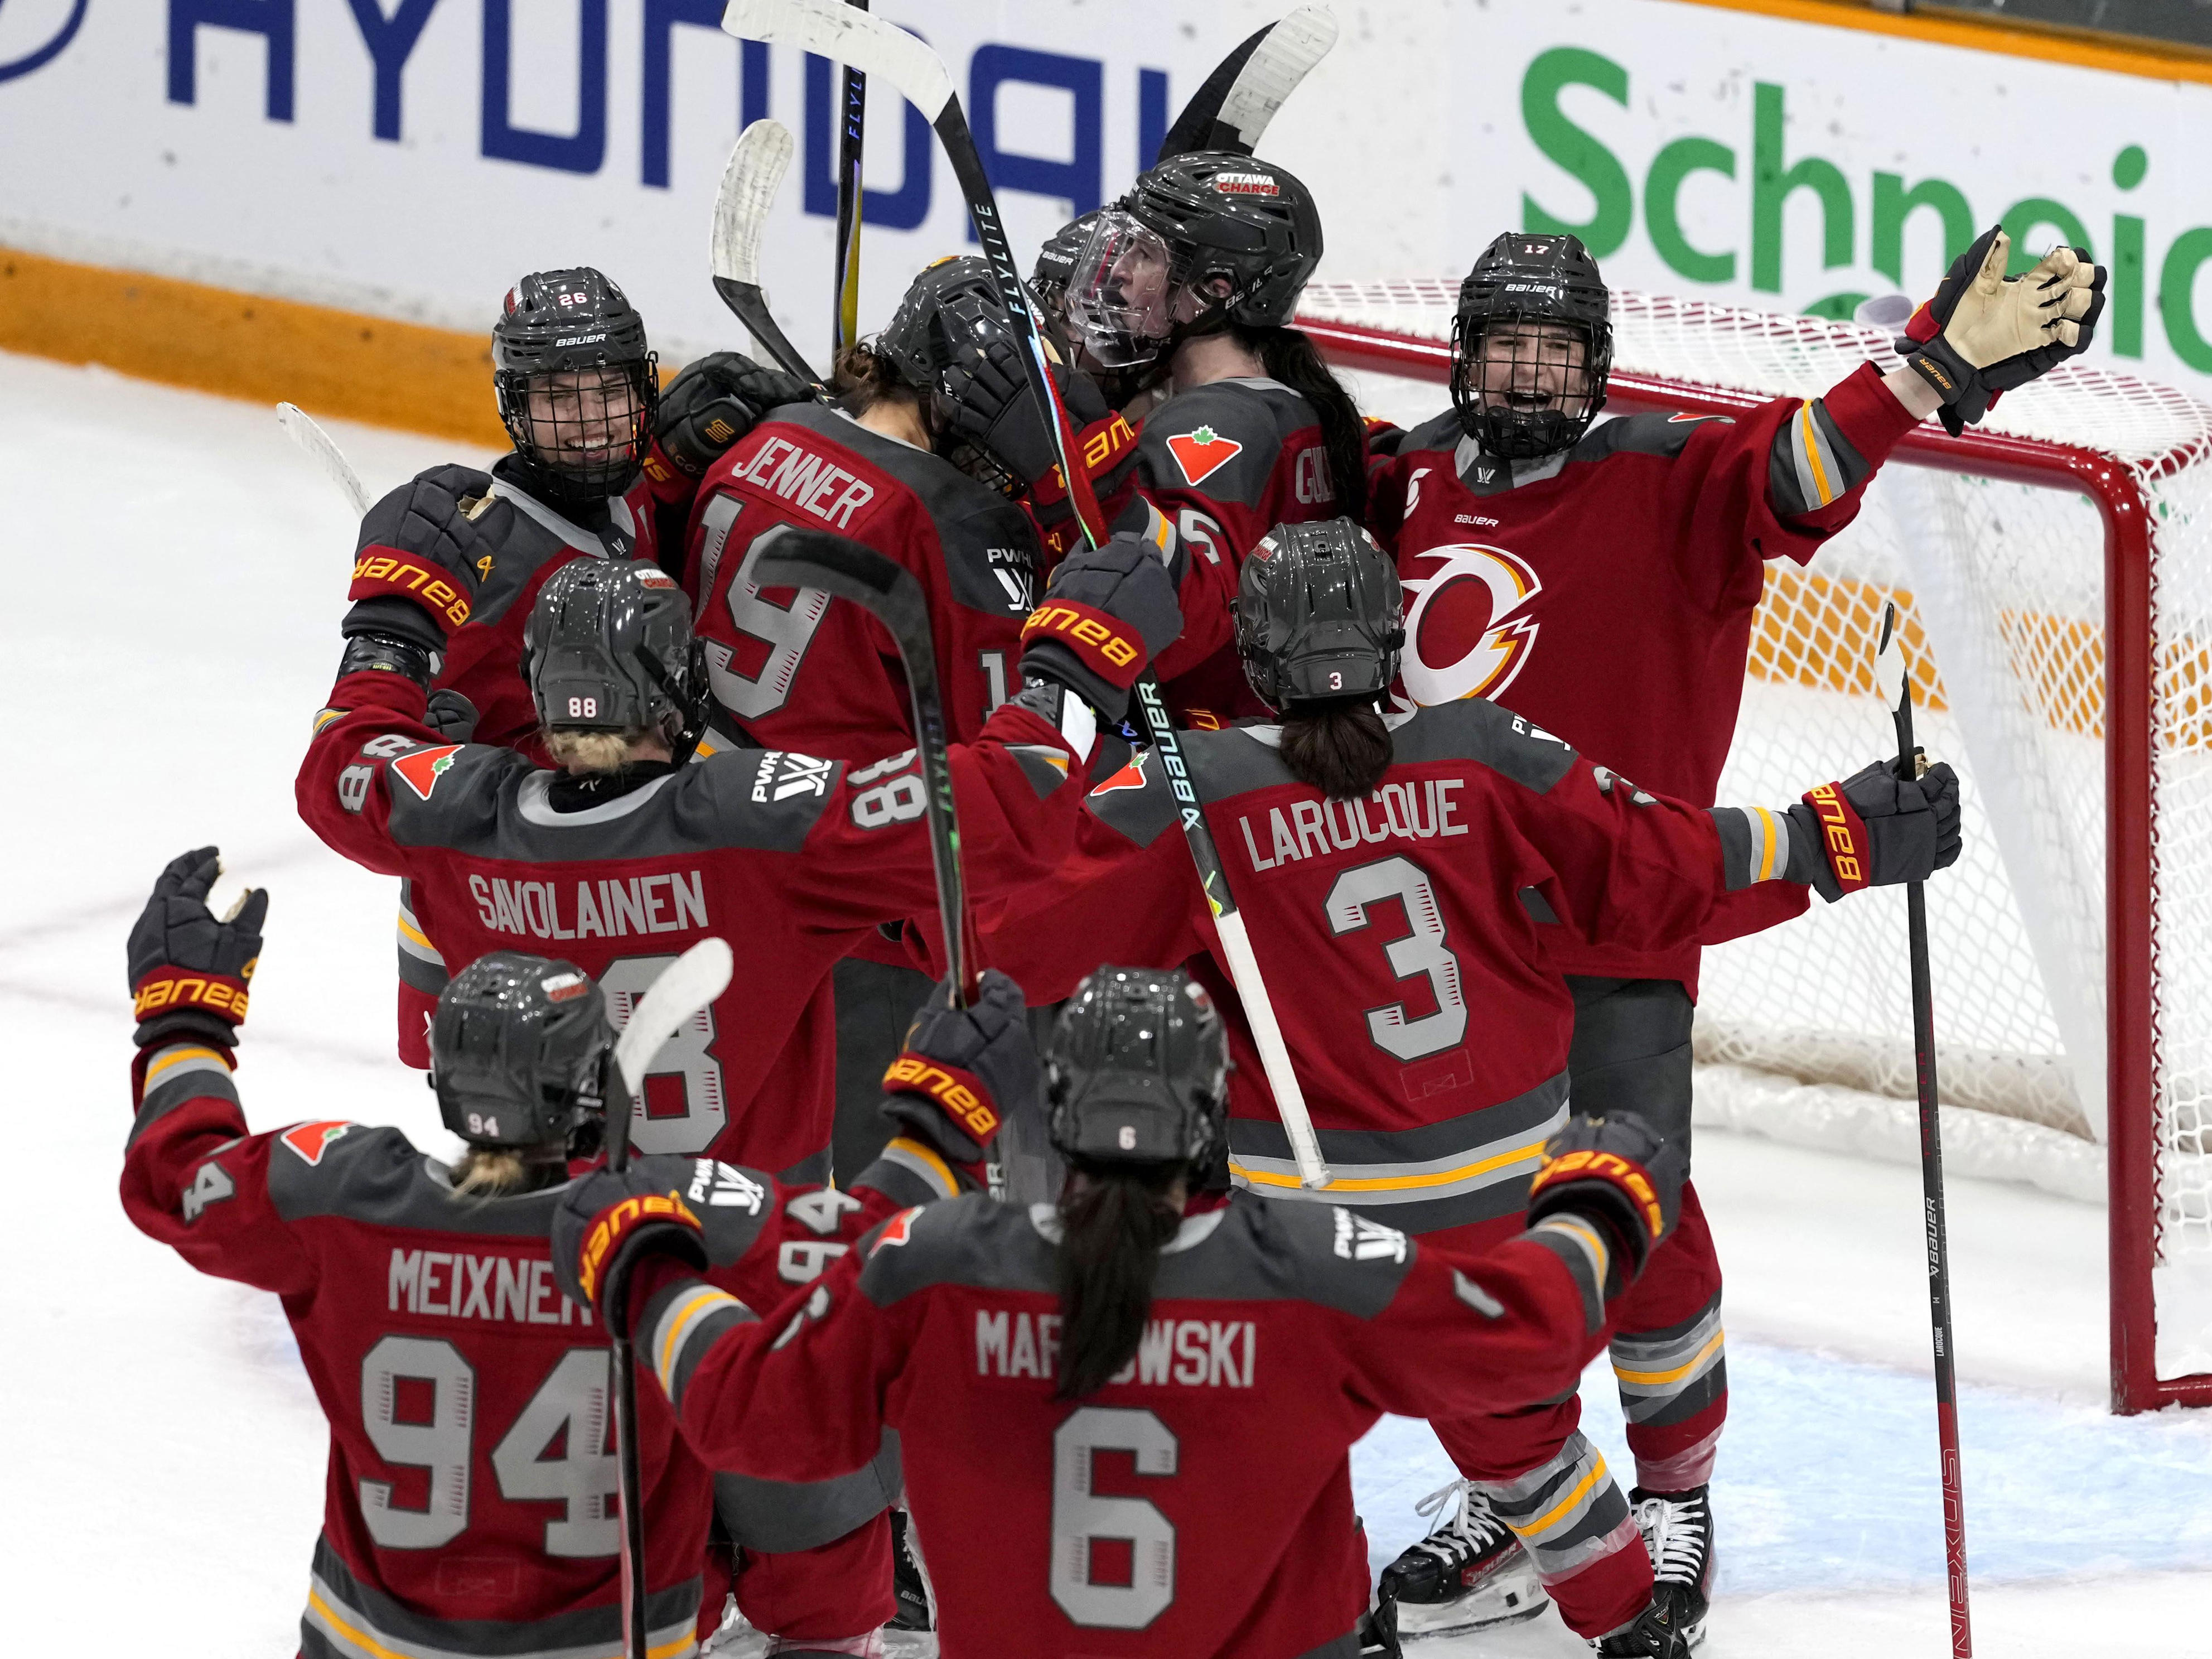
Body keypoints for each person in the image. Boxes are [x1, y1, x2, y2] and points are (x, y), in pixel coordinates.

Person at [960, 517, 1962, 1654]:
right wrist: (1838, 836)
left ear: (1253, 650)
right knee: (1548, 1393)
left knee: (1281, 1457)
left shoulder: (1187, 792)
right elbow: (1663, 867)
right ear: (1393, 641)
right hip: (1511, 1208)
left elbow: (1004, 923)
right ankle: (1643, 1600)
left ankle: (1315, 1616)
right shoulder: (1481, 747)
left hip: (1308, 1238)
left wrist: (1061, 691)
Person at [1362, 225, 2101, 1643]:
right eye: (1503, 347)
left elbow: (1801, 462)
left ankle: (1671, 1489)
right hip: (1439, 932)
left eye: (1553, 350)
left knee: (1633, 1223)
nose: (1524, 375)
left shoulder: (1661, 473)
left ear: (1597, 365)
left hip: (1620, 919)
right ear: (1463, 354)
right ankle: (1514, 1487)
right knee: (1460, 1223)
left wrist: (1930, 367)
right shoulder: (1406, 479)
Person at [545, 961, 1693, 1659]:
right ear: (1208, 1110)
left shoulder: (935, 1263)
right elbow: (1524, 1336)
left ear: (1053, 1106)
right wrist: (1595, 1205)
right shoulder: (1306, 1266)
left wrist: (650, 1268)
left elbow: (759, 1415)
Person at [117, 853, 996, 1656]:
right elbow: (873, 1245)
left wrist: (183, 1016)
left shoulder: (341, 1192)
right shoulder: (671, 1219)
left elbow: (175, 1173)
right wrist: (939, 1118)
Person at [296, 541, 1178, 1177]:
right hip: (751, 1260)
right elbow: (1010, 799)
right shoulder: (753, 824)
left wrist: (392, 625)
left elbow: (339, 765)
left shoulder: (451, 813)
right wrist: (1074, 662)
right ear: (678, 686)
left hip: (549, 1244)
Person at [680, 255, 1090, 1187]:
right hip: (862, 895)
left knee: (740, 1167)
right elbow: (1006, 759)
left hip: (710, 848)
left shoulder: (764, 436)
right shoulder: (955, 522)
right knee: (888, 1203)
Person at [341, 265, 810, 1063]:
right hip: (498, 906)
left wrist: (672, 462)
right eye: (560, 398)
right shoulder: (479, 550)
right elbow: (387, 768)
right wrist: (432, 728)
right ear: (514, 407)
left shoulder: (626, 495)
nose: (590, 421)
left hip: (616, 884)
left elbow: (625, 542)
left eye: (610, 392)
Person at [940, 150, 1364, 718]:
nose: (1118, 273)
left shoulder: (1212, 426)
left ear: (1213, 290)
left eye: (1144, 255)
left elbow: (1182, 623)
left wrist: (1071, 473)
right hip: (1256, 737)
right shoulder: (1301, 405)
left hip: (1190, 756)